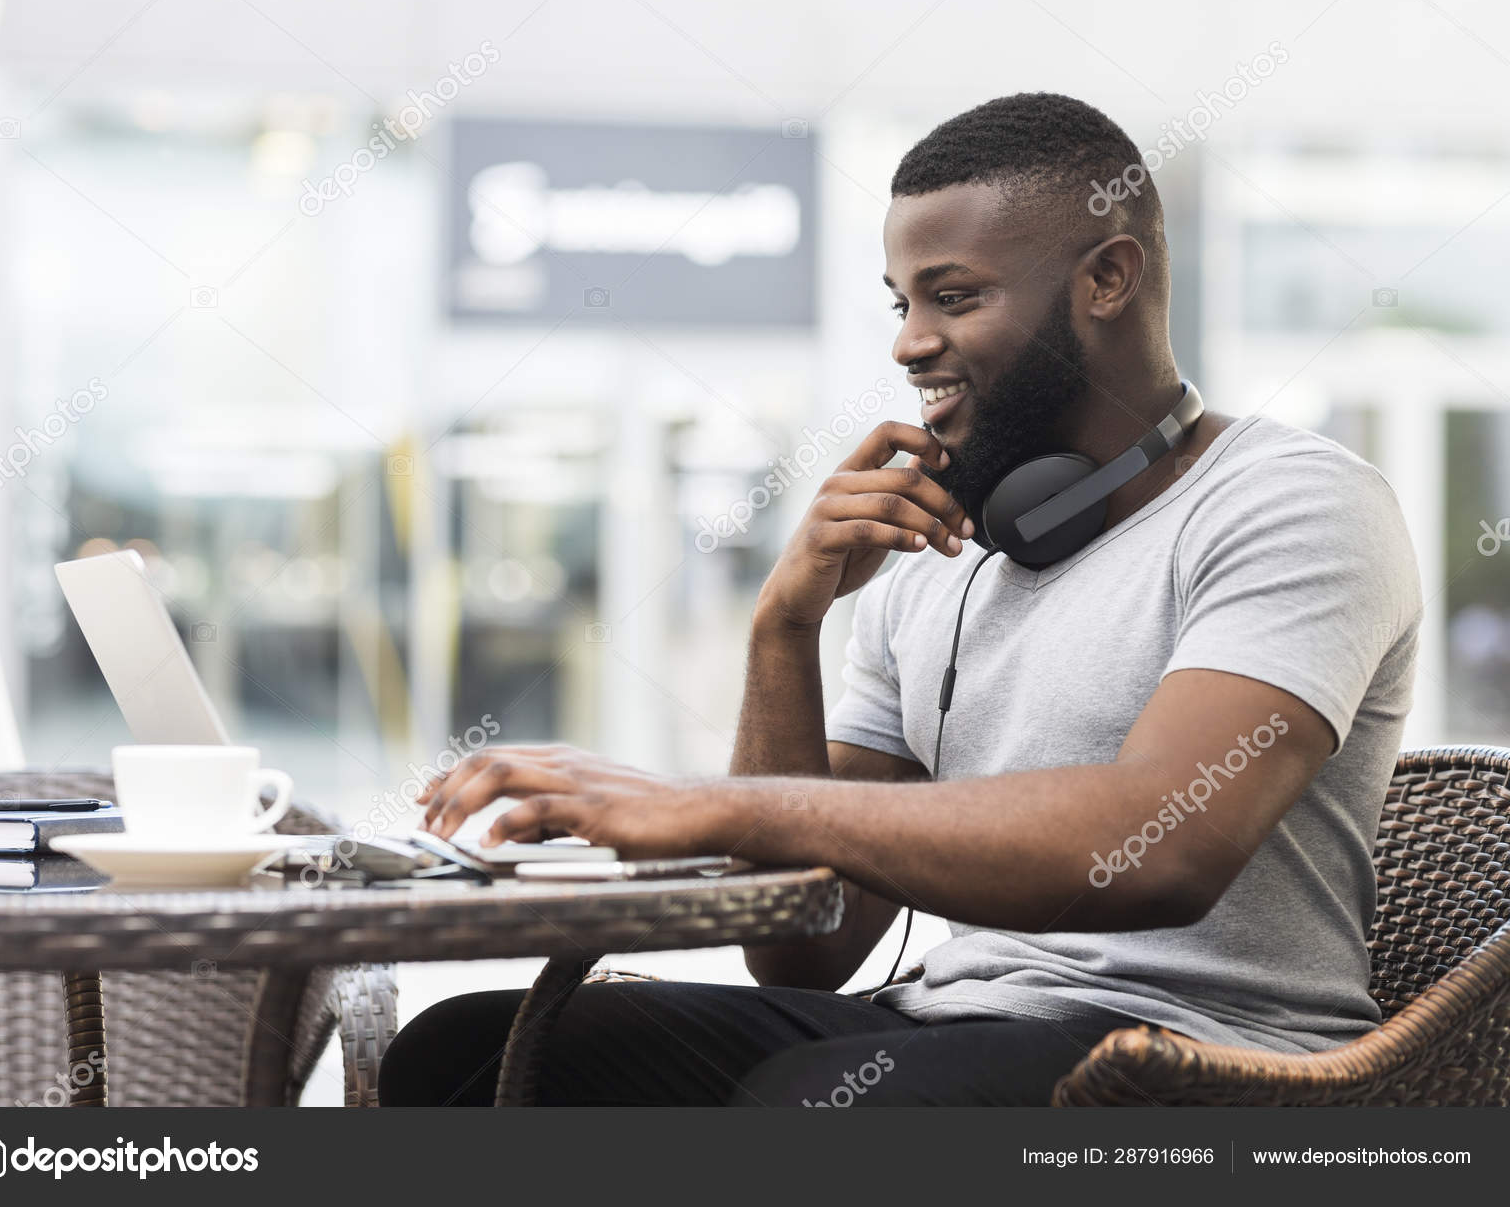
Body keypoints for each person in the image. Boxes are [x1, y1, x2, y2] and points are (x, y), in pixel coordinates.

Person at [377, 92, 1421, 1107]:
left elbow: (1163, 846)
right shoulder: (930, 548)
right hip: (940, 1023)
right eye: (901, 300)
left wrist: (714, 801)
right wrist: (784, 625)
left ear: (1107, 277)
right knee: (465, 1051)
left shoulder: (1294, 503)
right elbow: (801, 952)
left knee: (820, 1101)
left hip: (1205, 1059)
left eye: (954, 296)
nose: (907, 341)